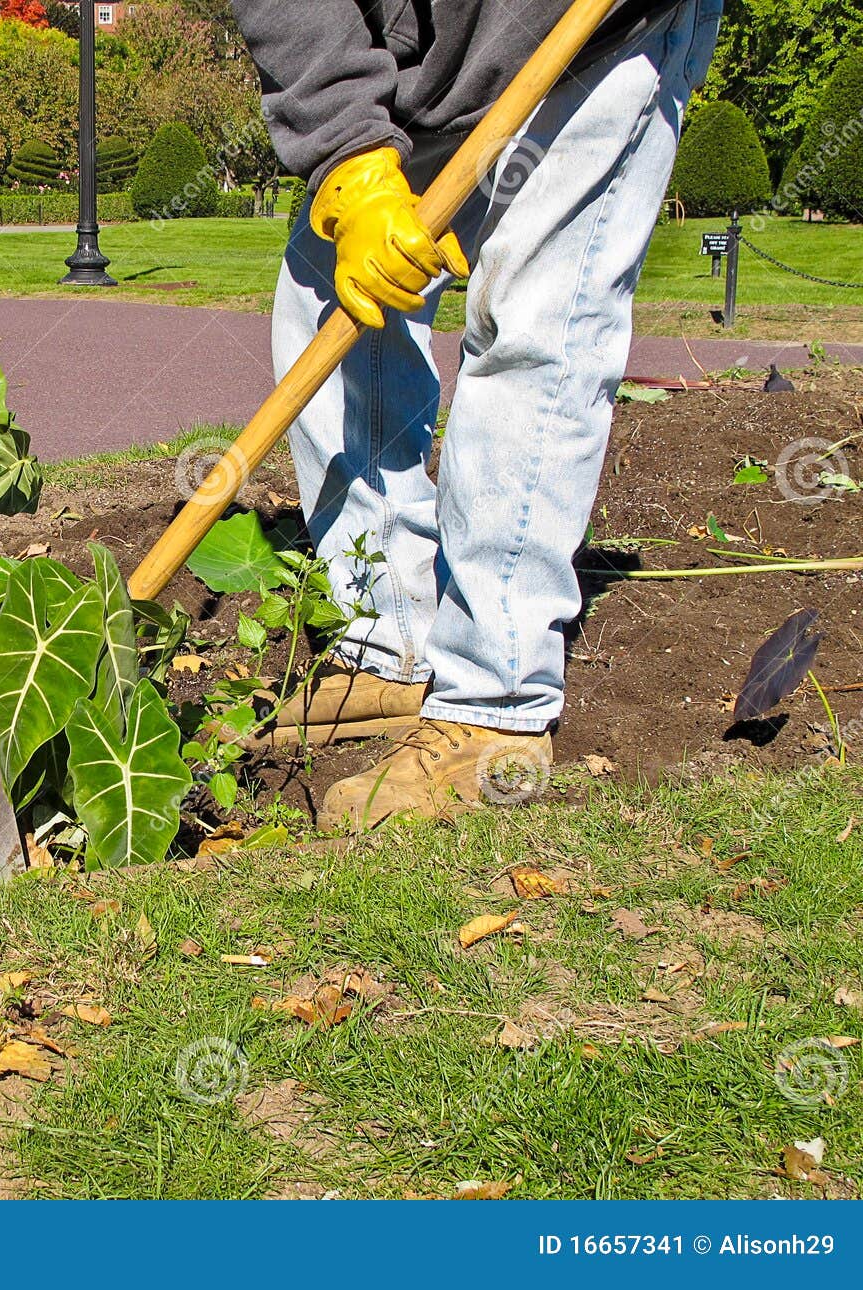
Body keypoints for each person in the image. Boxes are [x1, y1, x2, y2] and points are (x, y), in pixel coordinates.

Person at [229, 0, 721, 830]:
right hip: (418, 64)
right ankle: (387, 638)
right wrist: (352, 161)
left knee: (532, 325)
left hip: (594, 31)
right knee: (329, 286)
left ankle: (494, 702)